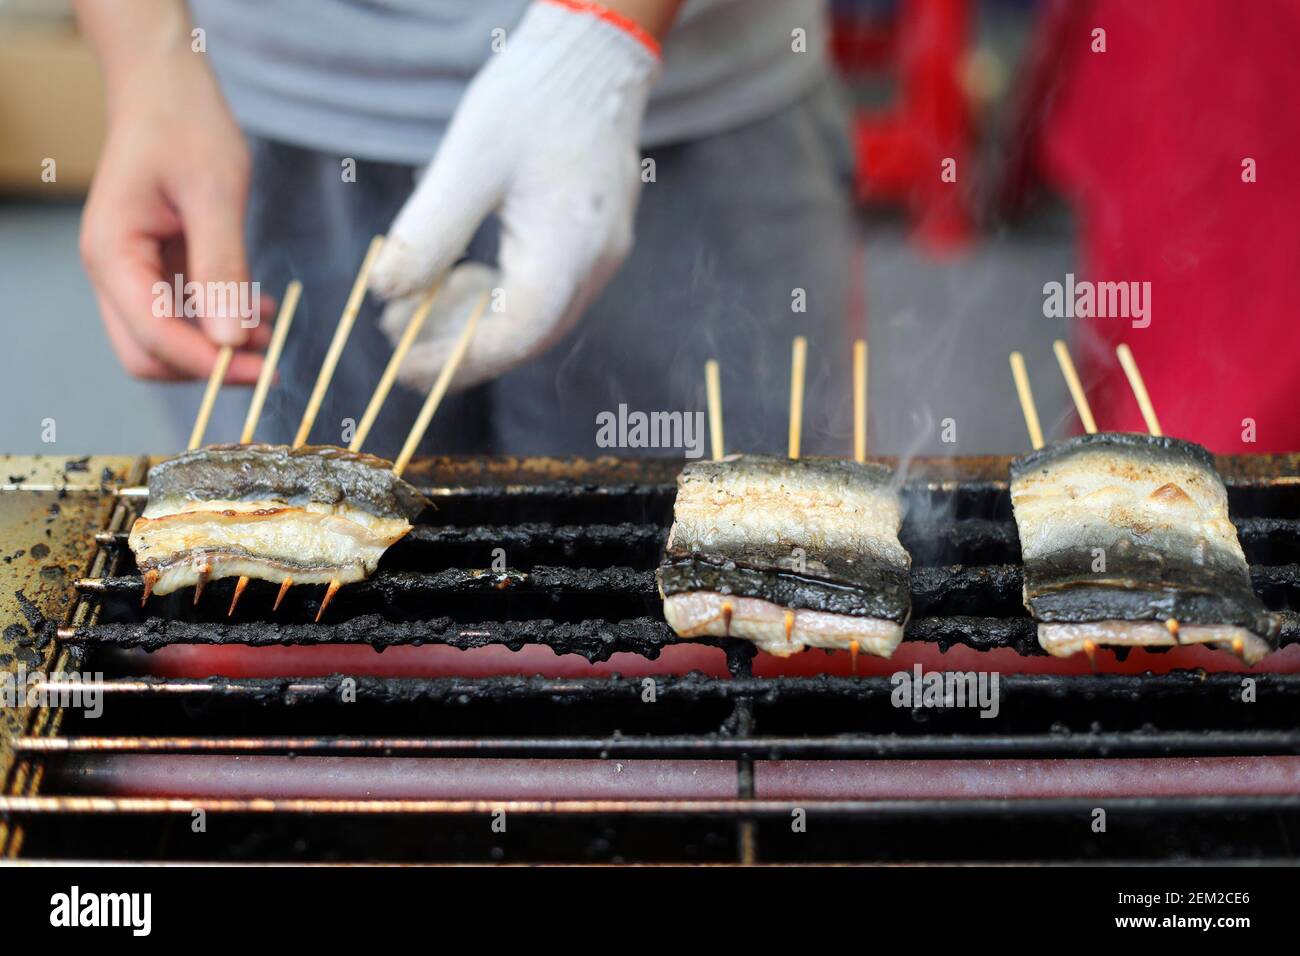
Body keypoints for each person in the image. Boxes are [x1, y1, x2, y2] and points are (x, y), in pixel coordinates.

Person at [74, 0, 858, 458]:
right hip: (254, 114)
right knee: (273, 624)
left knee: (740, 636)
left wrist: (602, 42)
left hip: (698, 111)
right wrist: (147, 61)